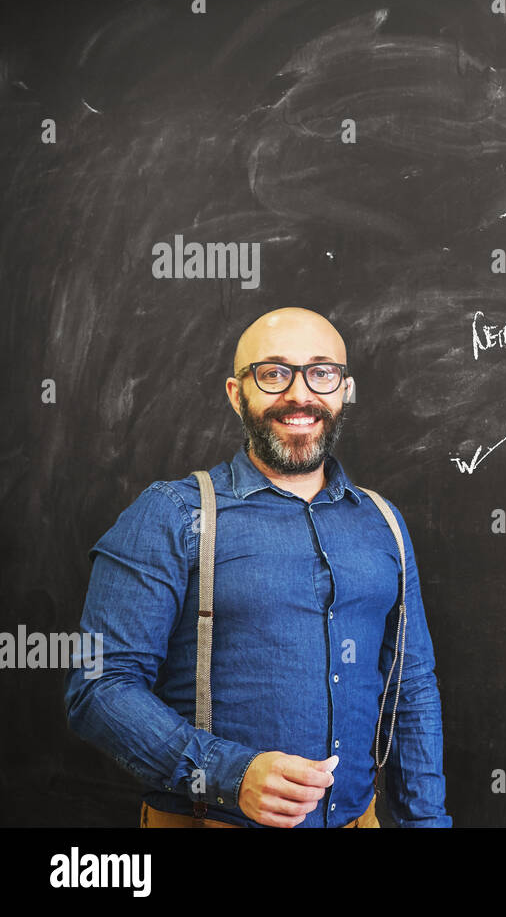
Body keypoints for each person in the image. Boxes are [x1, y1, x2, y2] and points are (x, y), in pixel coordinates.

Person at [66, 307, 451, 827]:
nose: (300, 394)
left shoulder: (383, 522)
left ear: (343, 389)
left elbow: (412, 686)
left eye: (322, 372)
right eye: (273, 374)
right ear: (235, 392)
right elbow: (98, 685)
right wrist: (231, 774)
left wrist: (425, 823)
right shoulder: (172, 514)